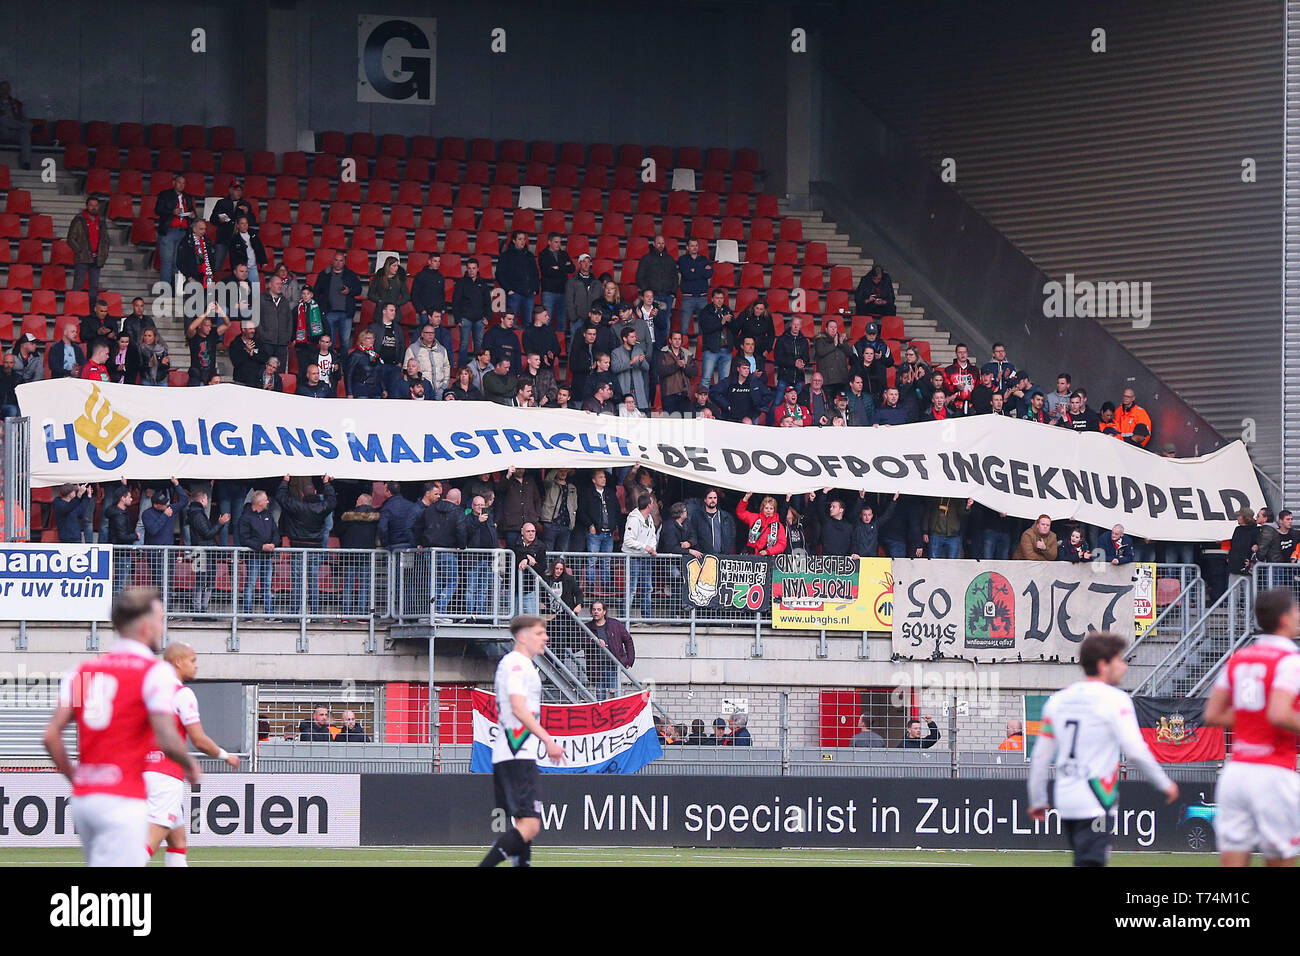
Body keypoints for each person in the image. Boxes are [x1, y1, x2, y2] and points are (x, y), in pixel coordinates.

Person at [41, 588, 201, 867]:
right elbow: (165, 734)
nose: (162, 628)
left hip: (86, 799)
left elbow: (51, 735)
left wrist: (75, 778)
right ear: (145, 625)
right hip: (123, 797)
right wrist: (187, 761)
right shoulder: (154, 671)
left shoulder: (82, 671)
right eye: (160, 619)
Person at [1028, 632, 1178, 866]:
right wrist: (1164, 783)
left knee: (1084, 859)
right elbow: (1135, 749)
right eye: (1120, 660)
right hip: (1096, 797)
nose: (1125, 667)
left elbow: (1040, 756)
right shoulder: (1115, 700)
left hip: (1066, 799)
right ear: (1102, 665)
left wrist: (1037, 799)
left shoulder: (1058, 700)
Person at [1204, 588, 1300, 866]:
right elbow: (1279, 713)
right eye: (1295, 612)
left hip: (1236, 773)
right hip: (1273, 773)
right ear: (1284, 619)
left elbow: (1212, 713)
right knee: (1280, 859)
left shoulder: (1240, 658)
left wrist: (1251, 718)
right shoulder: (1290, 660)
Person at [479, 615, 566, 867]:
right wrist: (548, 740)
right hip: (516, 754)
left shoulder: (521, 664)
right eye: (539, 633)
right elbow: (518, 707)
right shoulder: (516, 664)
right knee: (530, 825)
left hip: (514, 753)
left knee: (523, 827)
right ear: (522, 636)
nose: (545, 638)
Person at [144, 642, 241, 867]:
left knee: (177, 840)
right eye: (193, 660)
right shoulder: (182, 694)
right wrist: (226, 756)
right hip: (165, 776)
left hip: (144, 771)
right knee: (147, 844)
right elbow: (199, 740)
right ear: (178, 662)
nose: (196, 666)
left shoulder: (150, 692)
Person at [237, 491, 278, 616]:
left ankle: (269, 614)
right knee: (251, 584)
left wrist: (274, 544)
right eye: (266, 500)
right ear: (259, 502)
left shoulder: (268, 514)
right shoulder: (245, 517)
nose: (268, 502)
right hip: (253, 556)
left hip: (267, 557)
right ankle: (247, 614)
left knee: (267, 584)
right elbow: (244, 539)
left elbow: (275, 532)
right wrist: (261, 547)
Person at [313, 250, 364, 351]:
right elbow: (316, 292)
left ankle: (344, 366)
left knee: (345, 342)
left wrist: (349, 291)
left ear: (344, 262)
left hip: (346, 314)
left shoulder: (350, 274)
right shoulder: (324, 274)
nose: (338, 263)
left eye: (341, 260)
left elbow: (359, 290)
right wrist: (322, 308)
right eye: (336, 260)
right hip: (329, 313)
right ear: (332, 261)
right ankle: (330, 364)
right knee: (329, 342)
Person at [154, 174, 196, 285]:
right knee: (167, 262)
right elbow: (158, 210)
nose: (181, 185)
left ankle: (175, 289)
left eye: (183, 183)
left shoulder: (187, 197)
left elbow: (192, 211)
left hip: (183, 232)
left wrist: (192, 215)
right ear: (174, 183)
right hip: (169, 231)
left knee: (178, 262)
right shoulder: (165, 195)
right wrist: (172, 211)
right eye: (179, 182)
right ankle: (165, 290)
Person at [622, 493, 658, 619]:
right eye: (652, 502)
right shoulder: (634, 519)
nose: (653, 505)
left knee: (647, 587)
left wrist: (652, 547)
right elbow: (628, 541)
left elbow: (652, 536)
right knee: (631, 588)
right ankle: (625, 618)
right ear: (649, 505)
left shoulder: (649, 518)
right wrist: (645, 547)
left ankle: (647, 618)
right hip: (633, 557)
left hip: (646, 557)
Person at [66, 195, 110, 302]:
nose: (93, 208)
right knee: (78, 285)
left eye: (95, 205)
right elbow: (70, 238)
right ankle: (74, 308)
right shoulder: (79, 220)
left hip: (97, 258)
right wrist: (80, 251)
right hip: (82, 258)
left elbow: (106, 239)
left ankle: (92, 311)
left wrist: (104, 253)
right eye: (91, 205)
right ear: (86, 206)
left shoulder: (101, 221)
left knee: (94, 287)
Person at [498, 231, 541, 324]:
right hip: (514, 294)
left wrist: (535, 289)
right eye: (520, 239)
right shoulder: (506, 255)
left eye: (524, 239)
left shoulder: (529, 255)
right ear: (514, 240)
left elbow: (535, 273)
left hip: (529, 294)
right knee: (510, 323)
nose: (522, 241)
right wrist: (508, 290)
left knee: (528, 323)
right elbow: (499, 274)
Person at [0, 80, 33, 169]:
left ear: (10, 89)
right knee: (2, 120)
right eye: (2, 88)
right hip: (2, 132)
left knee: (25, 133)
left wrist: (24, 120)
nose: (4, 90)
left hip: (14, 132)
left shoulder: (15, 103)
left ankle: (26, 162)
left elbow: (22, 117)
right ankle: (25, 126)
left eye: (6, 88)